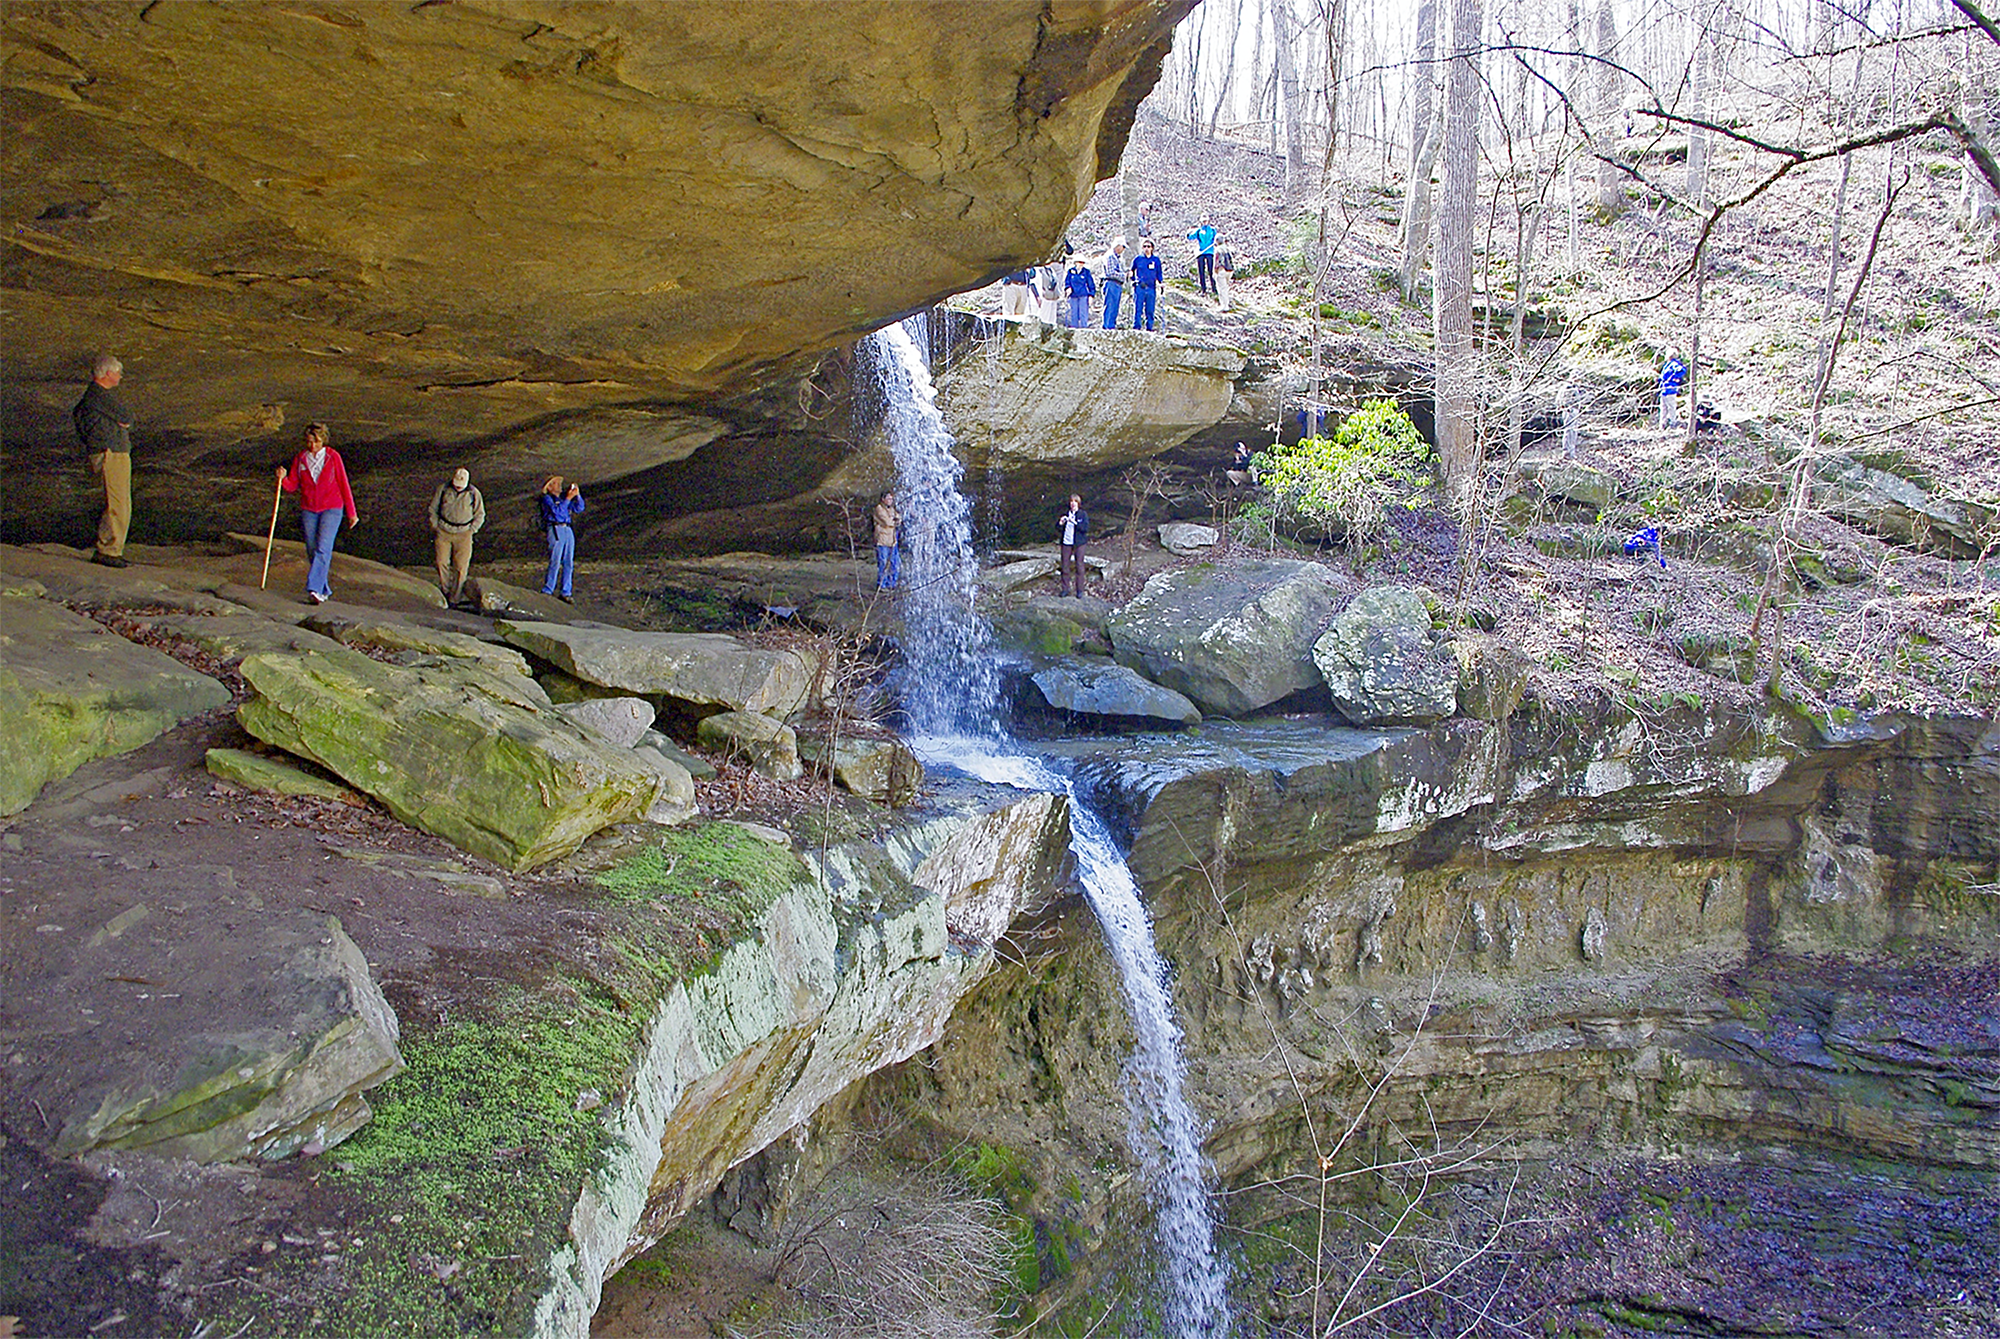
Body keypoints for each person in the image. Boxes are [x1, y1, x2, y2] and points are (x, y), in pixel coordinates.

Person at [274, 422, 358, 605]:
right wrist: (283, 479)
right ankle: (323, 589)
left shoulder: (332, 457)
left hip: (332, 508)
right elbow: (292, 485)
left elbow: (344, 484)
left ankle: (314, 588)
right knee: (312, 549)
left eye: (317, 442)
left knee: (323, 547)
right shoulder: (301, 458)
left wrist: (352, 513)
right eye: (310, 442)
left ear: (323, 441)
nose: (313, 446)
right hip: (309, 509)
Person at [73, 354, 134, 567]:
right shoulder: (99, 396)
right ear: (108, 373)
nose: (120, 377)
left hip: (111, 451)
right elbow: (126, 416)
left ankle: (113, 547)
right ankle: (108, 550)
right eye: (118, 372)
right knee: (117, 503)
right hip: (110, 452)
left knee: (120, 502)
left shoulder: (94, 397)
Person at [428, 467, 485, 605]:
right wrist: (435, 525)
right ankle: (445, 591)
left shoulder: (473, 493)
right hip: (444, 531)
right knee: (442, 562)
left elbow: (480, 514)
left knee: (461, 566)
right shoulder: (443, 490)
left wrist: (472, 530)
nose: (458, 487)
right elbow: (433, 508)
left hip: (464, 533)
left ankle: (455, 597)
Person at [539, 475, 584, 603]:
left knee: (568, 561)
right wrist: (568, 499)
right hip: (556, 529)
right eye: (555, 483)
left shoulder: (564, 498)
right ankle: (548, 589)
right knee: (555, 560)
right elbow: (557, 512)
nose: (559, 485)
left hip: (567, 529)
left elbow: (579, 508)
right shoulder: (547, 499)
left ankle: (566, 591)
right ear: (549, 487)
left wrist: (576, 496)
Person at [1057, 493, 1089, 597]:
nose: (1073, 504)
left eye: (1075, 502)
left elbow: (1085, 529)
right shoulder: (1066, 513)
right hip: (1066, 543)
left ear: (1078, 503)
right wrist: (1061, 523)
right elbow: (1057, 529)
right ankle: (1065, 589)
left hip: (1079, 544)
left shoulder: (1082, 514)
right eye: (1071, 502)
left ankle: (1079, 590)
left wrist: (1074, 522)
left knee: (1079, 566)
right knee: (1065, 566)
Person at [1131, 237, 1163, 331]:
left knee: (1150, 309)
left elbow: (1159, 273)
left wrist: (1161, 283)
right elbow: (1132, 270)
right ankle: (1137, 327)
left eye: (1148, 246)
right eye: (1144, 246)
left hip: (1151, 287)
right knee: (1138, 308)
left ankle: (1149, 327)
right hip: (1140, 287)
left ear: (1152, 248)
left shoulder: (1156, 260)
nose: (1146, 248)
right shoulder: (1138, 259)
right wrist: (1133, 280)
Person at [872, 490, 901, 591]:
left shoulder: (891, 509)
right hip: (882, 540)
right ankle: (881, 585)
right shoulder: (879, 509)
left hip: (892, 540)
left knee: (895, 563)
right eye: (888, 498)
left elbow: (899, 518)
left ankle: (892, 583)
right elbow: (887, 521)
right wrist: (894, 520)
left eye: (891, 499)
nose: (890, 501)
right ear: (883, 499)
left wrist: (895, 519)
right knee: (883, 563)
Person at [1100, 239, 1130, 329]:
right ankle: (1107, 326)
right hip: (1111, 283)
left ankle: (1111, 325)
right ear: (1118, 246)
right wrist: (1124, 275)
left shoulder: (1116, 258)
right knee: (1110, 306)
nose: (1123, 249)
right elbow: (1110, 273)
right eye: (1123, 247)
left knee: (1114, 307)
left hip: (1116, 284)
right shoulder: (1110, 256)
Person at [1186, 216, 1218, 297]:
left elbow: (1217, 239)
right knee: (1201, 271)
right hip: (1201, 252)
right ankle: (1203, 289)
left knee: (1211, 271)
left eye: (1206, 221)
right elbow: (1190, 237)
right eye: (1203, 221)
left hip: (1210, 252)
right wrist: (1188, 232)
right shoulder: (1198, 230)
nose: (1205, 222)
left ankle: (1214, 288)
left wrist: (1217, 242)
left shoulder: (1213, 230)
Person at [1063, 256, 1096, 328]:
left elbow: (1091, 284)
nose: (1081, 264)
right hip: (1073, 295)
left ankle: (1084, 329)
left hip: (1083, 295)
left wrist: (1091, 295)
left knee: (1083, 314)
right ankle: (1074, 330)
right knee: (1074, 313)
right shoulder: (1070, 271)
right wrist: (1068, 288)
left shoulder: (1086, 272)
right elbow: (1067, 282)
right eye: (1079, 262)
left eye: (1082, 263)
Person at [1659, 352, 1688, 428]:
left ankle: (1673, 423)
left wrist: (1673, 378)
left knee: (1671, 407)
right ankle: (1663, 424)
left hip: (1670, 389)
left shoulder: (1674, 364)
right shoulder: (1667, 365)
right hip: (1664, 389)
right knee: (1663, 407)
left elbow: (1681, 370)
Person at [1215, 243, 1235, 312]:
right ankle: (1227, 303)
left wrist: (1215, 270)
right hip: (1229, 271)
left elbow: (1217, 261)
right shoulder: (1227, 248)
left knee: (1221, 288)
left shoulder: (1218, 250)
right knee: (1226, 288)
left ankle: (1224, 306)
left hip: (1222, 270)